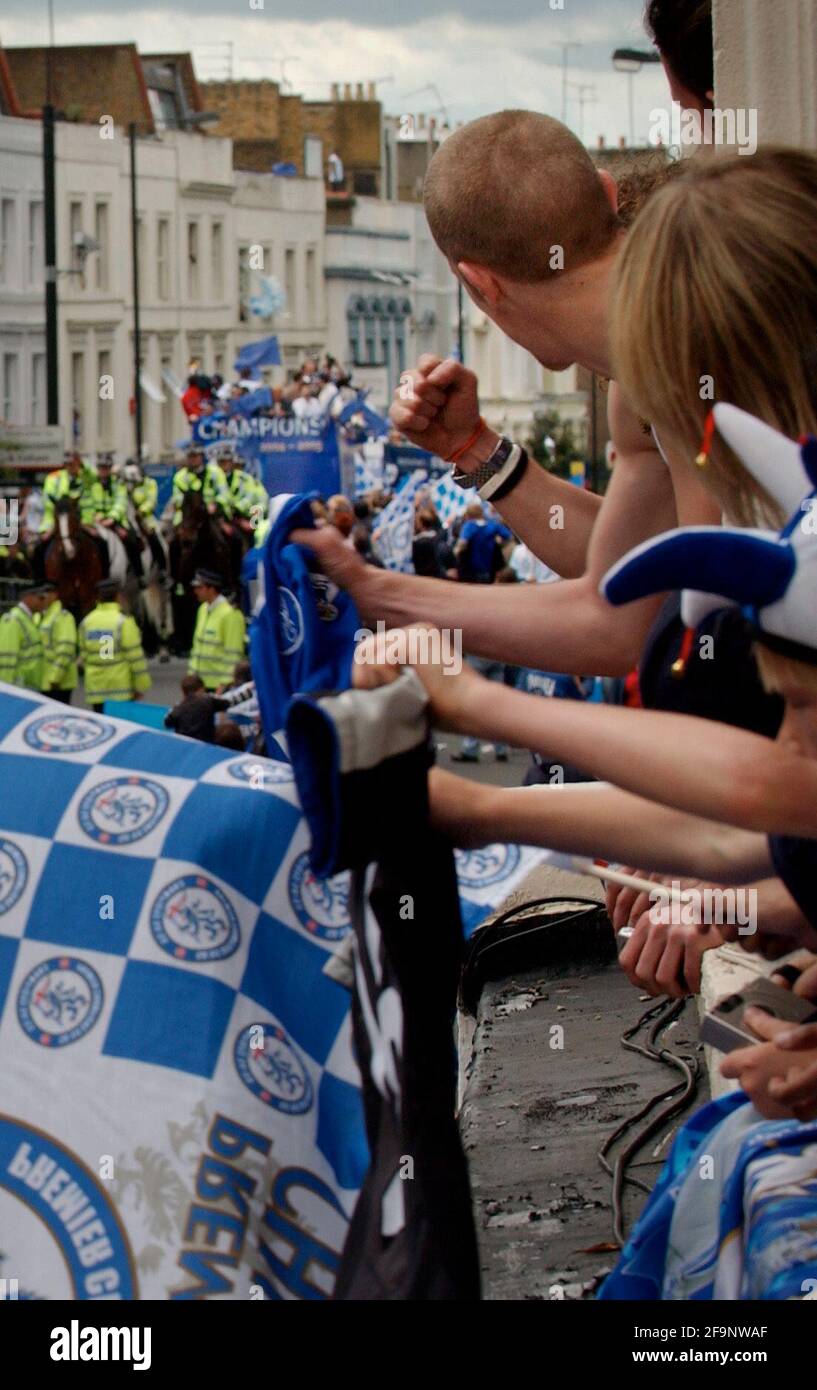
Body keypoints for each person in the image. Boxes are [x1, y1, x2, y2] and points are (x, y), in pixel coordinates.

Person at [78, 579, 152, 712]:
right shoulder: (123, 621)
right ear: (118, 596)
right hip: (120, 689)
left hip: (96, 689)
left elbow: (83, 655)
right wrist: (141, 685)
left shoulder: (87, 622)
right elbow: (135, 657)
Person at [189, 568, 246, 691]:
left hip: (219, 685)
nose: (195, 591)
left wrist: (226, 683)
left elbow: (233, 652)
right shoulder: (203, 610)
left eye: (200, 587)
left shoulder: (230, 614)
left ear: (212, 589)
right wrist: (191, 676)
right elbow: (197, 647)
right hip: (200, 684)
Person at [217, 444, 268, 542]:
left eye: (241, 466)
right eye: (222, 462)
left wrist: (253, 523)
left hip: (246, 519)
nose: (238, 469)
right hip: (226, 519)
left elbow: (262, 505)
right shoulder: (217, 479)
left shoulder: (251, 482)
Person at [39, 579, 78, 703]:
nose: (42, 596)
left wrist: (55, 677)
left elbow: (66, 650)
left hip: (58, 683)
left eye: (46, 593)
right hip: (45, 681)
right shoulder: (41, 616)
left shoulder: (62, 617)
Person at [164, 672, 233, 743]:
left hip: (184, 745)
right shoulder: (208, 701)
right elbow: (228, 703)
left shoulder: (178, 708)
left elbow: (167, 723)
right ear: (202, 689)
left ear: (183, 691)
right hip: (207, 744)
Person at [172, 445, 232, 526]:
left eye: (196, 456)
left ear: (202, 457)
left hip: (212, 512)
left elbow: (224, 494)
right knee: (173, 534)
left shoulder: (216, 472)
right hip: (188, 513)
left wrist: (215, 504)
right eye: (190, 456)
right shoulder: (179, 476)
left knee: (228, 534)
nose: (193, 459)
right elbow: (177, 497)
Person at [0, 584, 46, 688]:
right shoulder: (13, 620)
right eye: (41, 598)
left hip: (29, 685)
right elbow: (7, 658)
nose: (44, 602)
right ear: (28, 597)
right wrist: (7, 689)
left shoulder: (27, 619)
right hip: (19, 687)